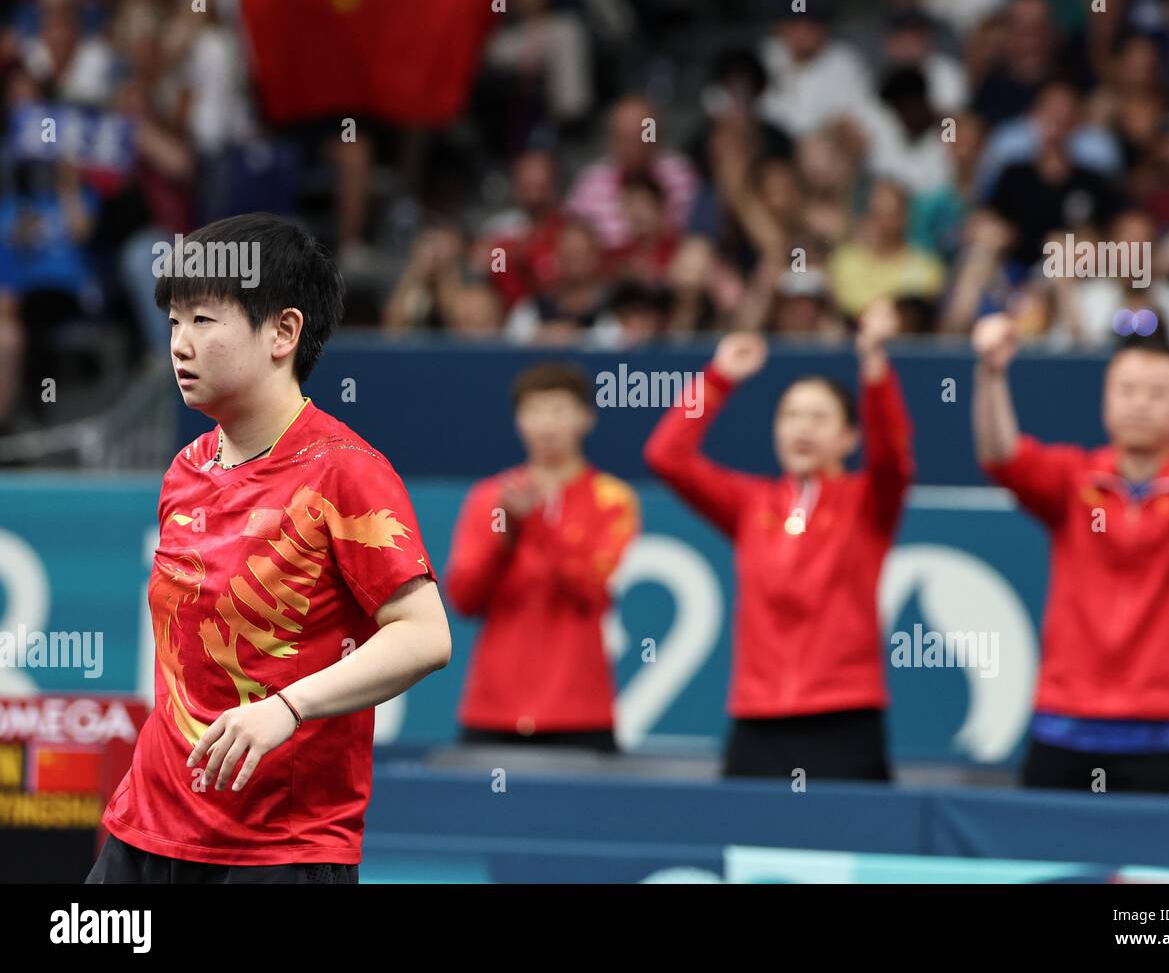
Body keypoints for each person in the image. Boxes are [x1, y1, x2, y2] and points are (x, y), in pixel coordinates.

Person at [87, 213, 452, 884]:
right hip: (146, 835)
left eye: (203, 320)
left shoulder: (345, 471)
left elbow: (426, 636)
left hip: (279, 852)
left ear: (283, 331)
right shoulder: (186, 469)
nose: (179, 344)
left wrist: (288, 708)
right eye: (172, 322)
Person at [972, 313, 1169, 794]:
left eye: (1156, 393)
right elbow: (999, 454)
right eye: (1126, 390)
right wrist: (990, 372)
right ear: (1106, 400)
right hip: (1062, 721)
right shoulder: (1074, 478)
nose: (1139, 405)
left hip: (1158, 728)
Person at [645, 302, 913, 781]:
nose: (802, 428)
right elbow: (666, 456)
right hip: (757, 721)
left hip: (844, 718)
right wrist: (718, 378)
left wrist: (874, 365)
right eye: (790, 416)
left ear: (849, 437)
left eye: (818, 417)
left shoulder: (868, 503)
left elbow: (893, 453)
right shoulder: (752, 504)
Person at [445, 362, 640, 752]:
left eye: (559, 410)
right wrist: (507, 537)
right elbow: (464, 598)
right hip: (492, 712)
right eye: (534, 411)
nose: (547, 424)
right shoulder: (489, 498)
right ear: (519, 421)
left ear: (585, 418)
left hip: (580, 714)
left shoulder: (613, 500)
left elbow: (592, 592)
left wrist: (535, 526)